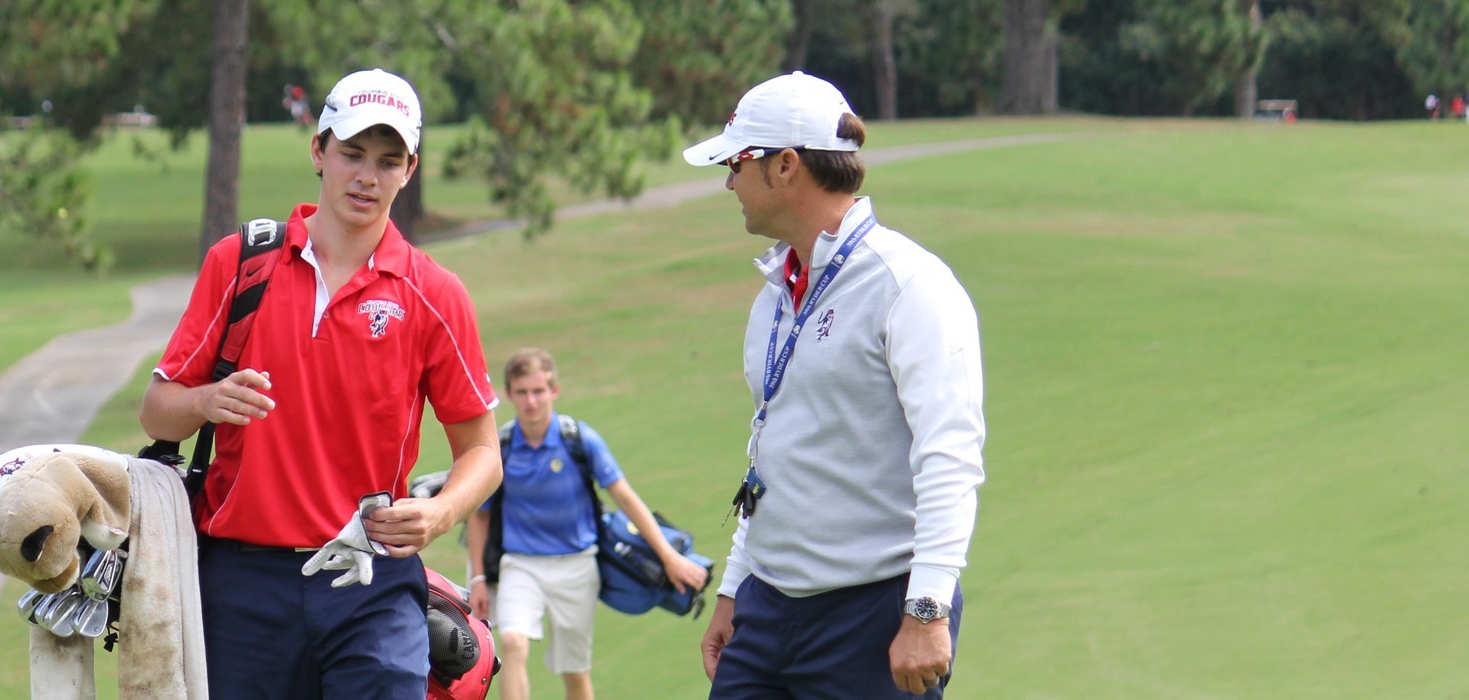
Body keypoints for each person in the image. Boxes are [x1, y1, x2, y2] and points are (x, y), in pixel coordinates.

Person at [140, 68, 502, 700]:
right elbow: (157, 412)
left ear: (409, 171)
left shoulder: (434, 293)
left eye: (388, 161)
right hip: (241, 583)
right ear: (318, 151)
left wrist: (441, 511)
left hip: (371, 582)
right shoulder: (241, 263)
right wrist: (206, 400)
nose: (367, 177)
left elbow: (483, 452)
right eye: (352, 154)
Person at [681, 72, 987, 699]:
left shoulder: (908, 284)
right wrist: (735, 586)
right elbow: (772, 453)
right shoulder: (774, 297)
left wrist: (927, 609)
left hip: (874, 612)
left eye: (737, 164)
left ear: (785, 165)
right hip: (768, 606)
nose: (729, 182)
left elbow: (949, 454)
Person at [465, 348, 709, 700]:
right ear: (508, 394)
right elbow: (480, 514)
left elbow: (626, 499)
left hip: (577, 567)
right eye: (522, 392)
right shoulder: (500, 447)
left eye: (538, 391)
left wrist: (670, 557)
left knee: (575, 672)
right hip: (520, 565)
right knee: (513, 642)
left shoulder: (579, 440)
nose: (531, 401)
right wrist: (478, 579)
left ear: (554, 391)